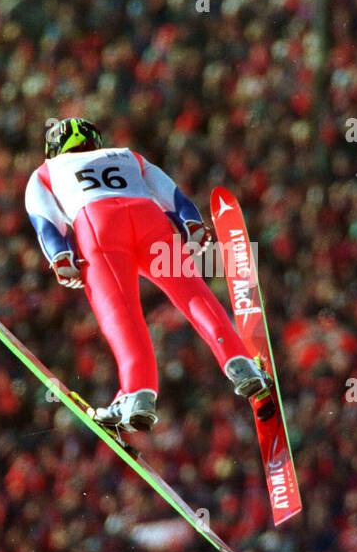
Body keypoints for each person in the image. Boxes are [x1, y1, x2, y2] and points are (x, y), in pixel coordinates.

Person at [24, 117, 269, 431]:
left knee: (121, 313)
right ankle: (239, 362)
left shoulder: (45, 171)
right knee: (192, 293)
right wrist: (191, 223)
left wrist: (60, 256)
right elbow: (173, 195)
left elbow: (44, 222)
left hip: (98, 227)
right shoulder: (128, 155)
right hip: (148, 219)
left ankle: (138, 390)